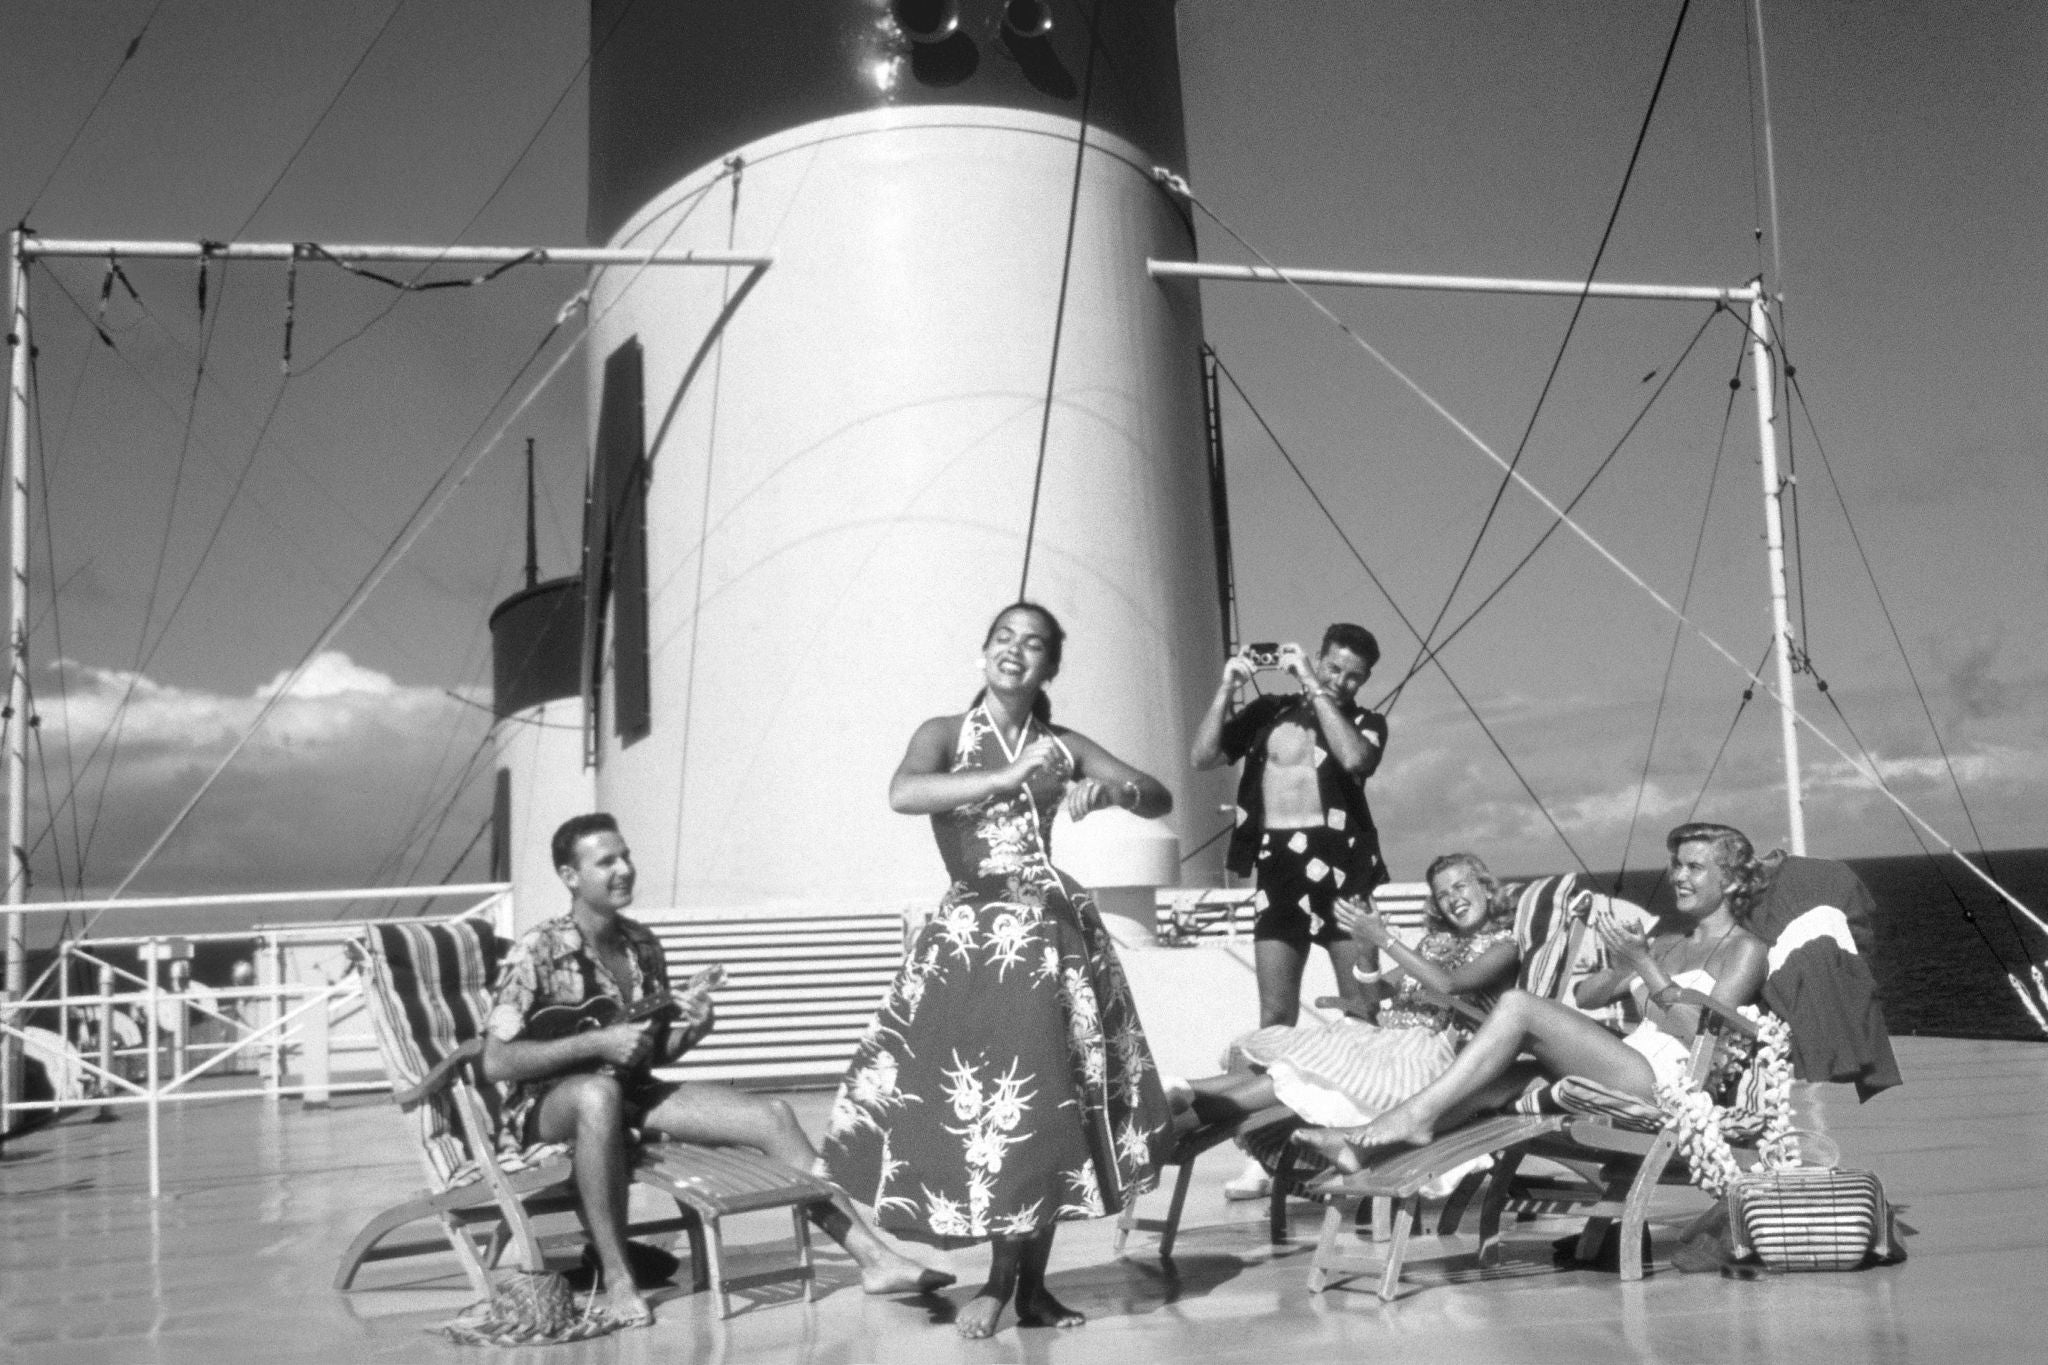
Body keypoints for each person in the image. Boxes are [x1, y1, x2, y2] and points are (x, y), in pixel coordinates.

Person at [823, 601, 1176, 1340]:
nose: (1016, 652)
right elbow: (905, 792)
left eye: (1035, 644)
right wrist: (1011, 773)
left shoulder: (1063, 742)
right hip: (968, 941)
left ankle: (1019, 1284)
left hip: (1048, 938)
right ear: (983, 651)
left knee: (1050, 1105)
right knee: (974, 1110)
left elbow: (1157, 793)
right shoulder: (946, 732)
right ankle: (1010, 1280)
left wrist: (1113, 790)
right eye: (1005, 639)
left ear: (1051, 666)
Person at [483, 813, 949, 1328]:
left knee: (772, 1114)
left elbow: (648, 1053)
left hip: (629, 1090)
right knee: (597, 1095)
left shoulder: (640, 944)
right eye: (606, 861)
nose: (624, 870)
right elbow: (496, 1061)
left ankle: (875, 1259)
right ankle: (617, 1279)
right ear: (570, 877)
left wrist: (693, 1032)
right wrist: (597, 1041)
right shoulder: (538, 948)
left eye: (626, 856)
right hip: (545, 1106)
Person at [1296, 822, 1771, 1173]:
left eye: (1694, 867)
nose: (1678, 877)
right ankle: (1369, 1146)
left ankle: (1407, 1122)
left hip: (1672, 1085)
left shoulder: (1744, 949)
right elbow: (1587, 995)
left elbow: (1706, 1033)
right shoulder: (1669, 938)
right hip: (1632, 1061)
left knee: (1518, 1006)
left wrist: (1646, 967)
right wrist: (1628, 963)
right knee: (1500, 1079)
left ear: (1730, 880)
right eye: (1676, 865)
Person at [1189, 623, 1389, 1196]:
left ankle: (1366, 1141)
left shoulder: (1364, 721)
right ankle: (1265, 1147)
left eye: (1354, 676)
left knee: (1364, 1011)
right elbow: (1204, 757)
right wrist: (1228, 687)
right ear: (1320, 656)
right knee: (1275, 1019)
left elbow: (1355, 761)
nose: (1342, 680)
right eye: (1333, 668)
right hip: (1278, 871)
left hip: (1343, 870)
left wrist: (1316, 690)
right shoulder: (1268, 712)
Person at [1176, 853, 1521, 1134]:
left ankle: (1182, 1113)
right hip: (1388, 1041)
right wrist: (1367, 949)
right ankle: (1177, 1092)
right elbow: (1374, 997)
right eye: (1443, 894)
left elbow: (1448, 985)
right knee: (1279, 1063)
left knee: (1296, 1073)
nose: (1453, 900)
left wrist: (1384, 937)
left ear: (1487, 889)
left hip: (1431, 1057)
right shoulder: (1434, 944)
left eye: (1460, 886)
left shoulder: (1503, 948)